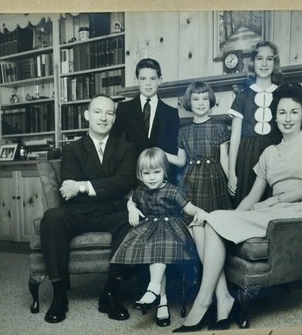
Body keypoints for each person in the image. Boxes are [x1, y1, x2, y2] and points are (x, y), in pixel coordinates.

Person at [174, 83, 302, 332]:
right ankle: (223, 298)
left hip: (296, 214)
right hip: (269, 212)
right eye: (282, 112)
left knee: (212, 221)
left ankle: (203, 302)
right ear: (275, 116)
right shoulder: (269, 151)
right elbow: (251, 198)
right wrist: (228, 217)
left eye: (293, 112)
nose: (287, 118)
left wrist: (275, 200)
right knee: (205, 222)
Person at [38, 95, 136, 324]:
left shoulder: (126, 148)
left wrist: (82, 185)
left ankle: (110, 294)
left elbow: (124, 182)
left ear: (114, 117)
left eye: (109, 113)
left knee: (132, 221)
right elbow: (67, 185)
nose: (103, 117)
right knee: (52, 218)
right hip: (79, 213)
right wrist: (102, 186)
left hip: (113, 212)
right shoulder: (72, 149)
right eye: (98, 112)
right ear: (87, 116)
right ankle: (59, 295)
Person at [111, 148, 208, 328]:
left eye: (156, 172)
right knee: (154, 249)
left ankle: (154, 289)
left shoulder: (173, 191)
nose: (152, 177)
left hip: (172, 231)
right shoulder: (140, 191)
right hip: (150, 231)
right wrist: (131, 208)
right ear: (140, 175)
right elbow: (131, 200)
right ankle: (161, 300)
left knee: (160, 247)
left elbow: (190, 208)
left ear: (165, 171)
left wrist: (200, 213)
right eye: (146, 173)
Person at [227, 41, 283, 204]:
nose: (264, 64)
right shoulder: (243, 97)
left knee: (271, 204)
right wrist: (232, 173)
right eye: (259, 59)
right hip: (247, 158)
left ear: (275, 62)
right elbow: (235, 137)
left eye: (269, 59)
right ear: (252, 62)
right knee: (246, 203)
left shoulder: (281, 94)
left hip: (275, 155)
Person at [165, 81, 232, 213]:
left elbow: (224, 158)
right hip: (191, 181)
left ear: (210, 100)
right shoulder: (183, 131)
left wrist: (231, 179)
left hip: (214, 179)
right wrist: (161, 153)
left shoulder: (219, 127)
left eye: (205, 98)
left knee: (215, 217)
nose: (201, 103)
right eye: (196, 99)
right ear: (189, 102)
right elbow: (181, 161)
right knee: (192, 219)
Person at [112, 58, 181, 160]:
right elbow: (114, 141)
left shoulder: (171, 113)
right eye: (143, 79)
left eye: (152, 78)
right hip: (131, 171)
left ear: (159, 80)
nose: (148, 83)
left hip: (161, 172)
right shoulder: (124, 109)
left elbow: (174, 149)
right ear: (137, 81)